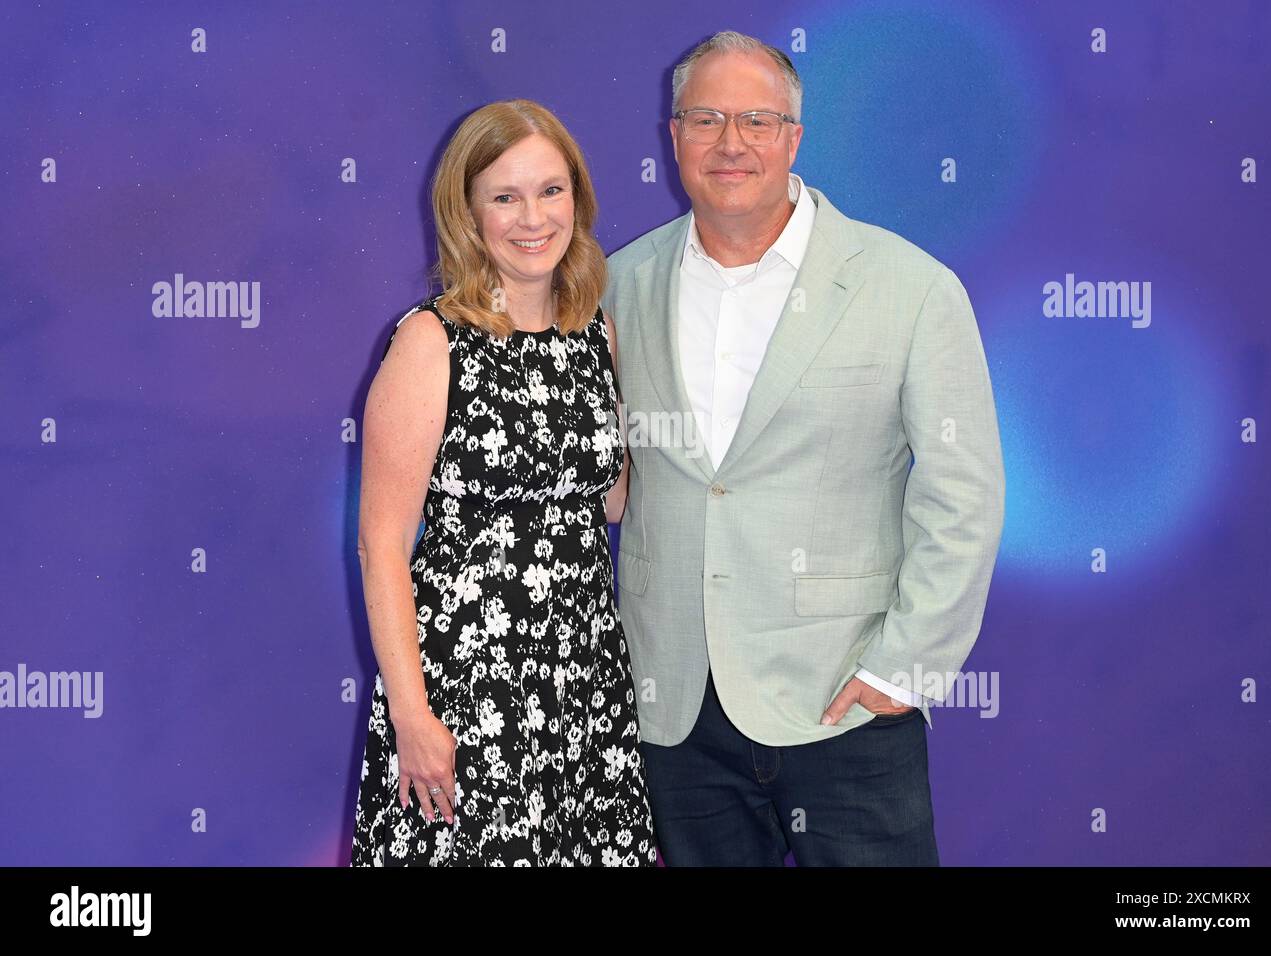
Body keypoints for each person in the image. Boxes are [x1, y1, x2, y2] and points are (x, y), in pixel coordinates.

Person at [601, 31, 1006, 865]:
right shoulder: (617, 284)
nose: (731, 142)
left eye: (757, 119)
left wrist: (906, 670)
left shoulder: (912, 287)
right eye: (705, 118)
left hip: (844, 701)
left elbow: (964, 494)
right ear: (672, 135)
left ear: (794, 137)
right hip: (673, 707)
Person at [350, 99, 656, 866]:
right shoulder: (431, 340)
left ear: (578, 200)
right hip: (465, 689)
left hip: (584, 681)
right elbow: (381, 544)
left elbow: (613, 498)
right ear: (468, 211)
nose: (533, 217)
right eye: (505, 196)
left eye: (551, 191)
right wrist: (414, 718)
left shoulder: (596, 333)